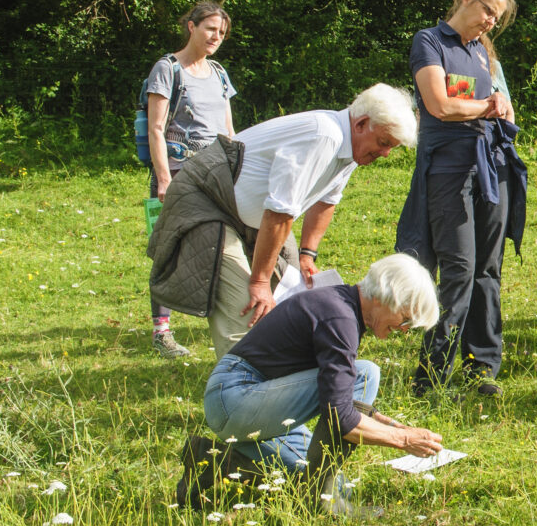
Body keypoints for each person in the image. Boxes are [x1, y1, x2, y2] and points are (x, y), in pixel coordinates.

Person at [148, 84, 417, 359]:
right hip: (207, 200)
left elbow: (327, 201)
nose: (385, 153)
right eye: (384, 143)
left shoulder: (351, 150)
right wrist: (259, 282)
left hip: (254, 217)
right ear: (361, 123)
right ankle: (236, 386)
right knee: (247, 304)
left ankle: (279, 368)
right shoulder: (323, 136)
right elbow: (280, 212)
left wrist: (306, 254)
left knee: (294, 291)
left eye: (391, 148)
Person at [175, 253, 445, 515]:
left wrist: (396, 427)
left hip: (242, 402)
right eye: (406, 319)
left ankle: (211, 466)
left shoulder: (340, 308)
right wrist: (405, 440)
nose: (405, 329)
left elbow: (337, 395)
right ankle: (321, 499)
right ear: (387, 296)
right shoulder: (340, 318)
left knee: (329, 481)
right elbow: (340, 415)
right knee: (366, 374)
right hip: (237, 395)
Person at [394, 0, 529, 398]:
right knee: (459, 271)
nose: (491, 22)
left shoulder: (480, 51)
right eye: (489, 11)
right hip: (448, 173)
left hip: (491, 167)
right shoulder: (430, 41)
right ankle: (432, 376)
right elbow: (439, 105)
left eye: (497, 18)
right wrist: (489, 106)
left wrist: (501, 106)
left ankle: (481, 367)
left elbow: (495, 103)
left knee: (488, 269)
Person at [142, 0, 238, 359]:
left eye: (222, 32)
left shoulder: (218, 73)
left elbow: (229, 129)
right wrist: (164, 178)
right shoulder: (167, 69)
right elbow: (156, 127)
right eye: (211, 28)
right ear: (191, 27)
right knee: (168, 248)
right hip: (180, 174)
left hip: (216, 174)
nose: (217, 37)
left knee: (217, 246)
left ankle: (219, 318)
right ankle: (161, 332)